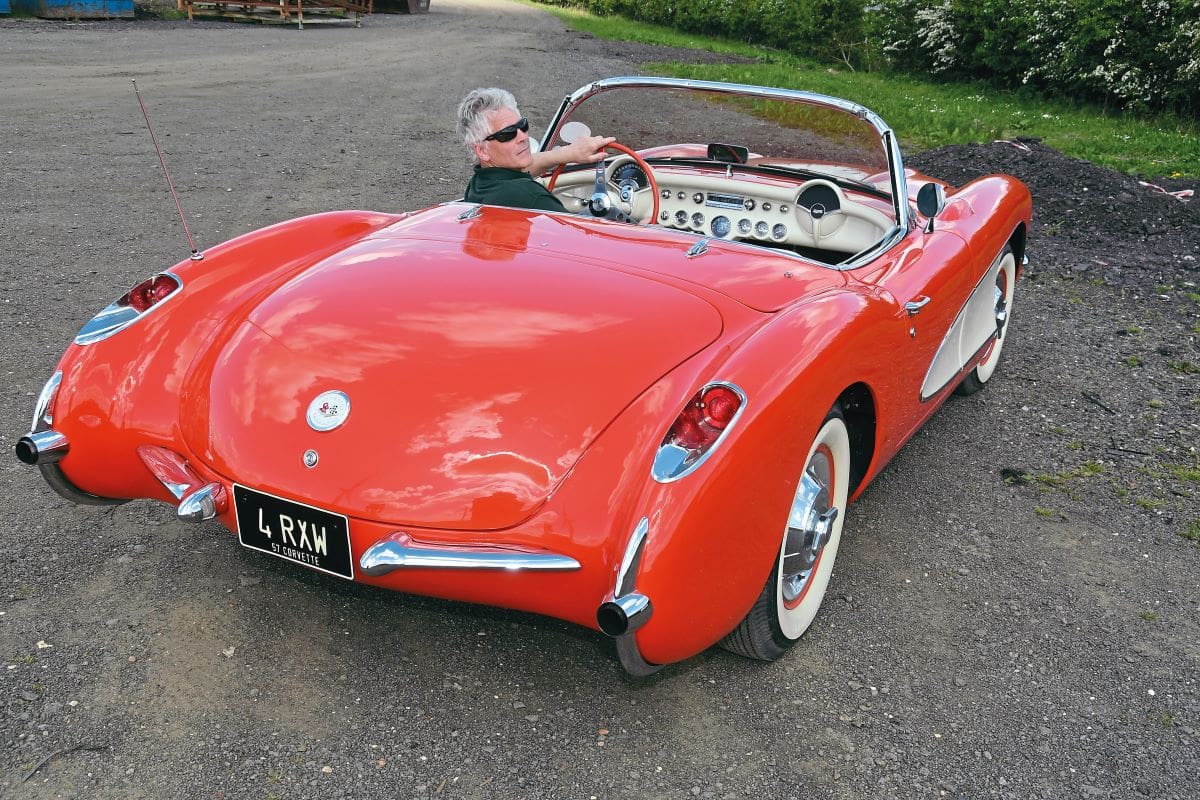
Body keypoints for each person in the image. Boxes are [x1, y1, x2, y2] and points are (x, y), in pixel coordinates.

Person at [457, 87, 614, 213]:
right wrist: (640, 225)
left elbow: (524, 169)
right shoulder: (531, 197)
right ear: (482, 151)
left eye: (522, 126)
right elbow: (582, 242)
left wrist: (567, 153)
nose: (523, 137)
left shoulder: (480, 184)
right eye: (508, 134)